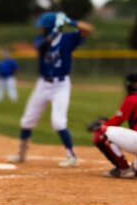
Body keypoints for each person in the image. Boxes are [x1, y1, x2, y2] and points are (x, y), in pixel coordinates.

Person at [12, 11, 90, 167]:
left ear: (49, 27)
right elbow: (42, 45)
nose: (40, 29)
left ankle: (71, 156)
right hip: (43, 84)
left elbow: (88, 30)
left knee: (58, 122)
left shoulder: (68, 39)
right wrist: (56, 30)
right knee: (27, 120)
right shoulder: (40, 41)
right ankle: (21, 154)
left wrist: (70, 21)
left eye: (42, 27)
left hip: (60, 85)